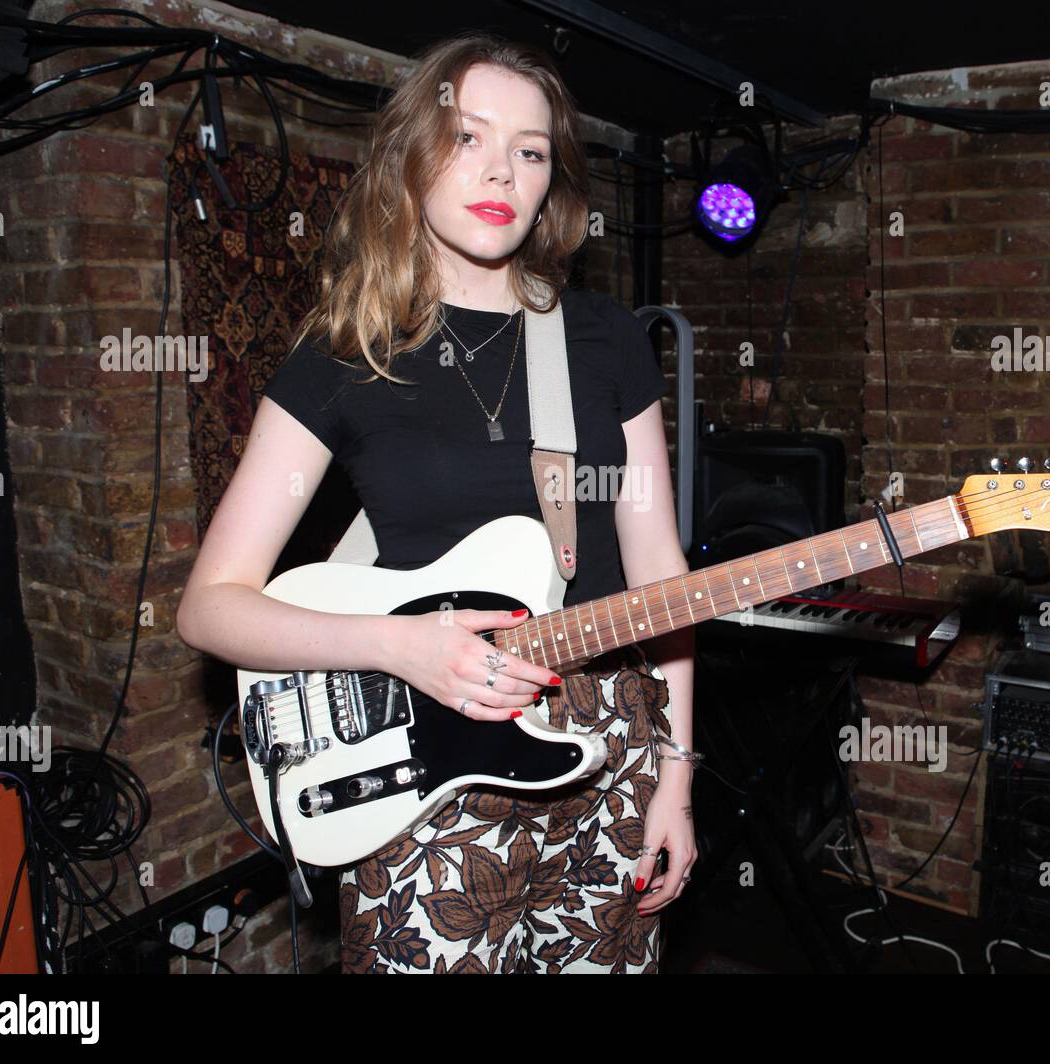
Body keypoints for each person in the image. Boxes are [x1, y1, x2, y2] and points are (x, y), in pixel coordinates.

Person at [176, 32, 698, 974]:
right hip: (429, 778)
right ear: (411, 155)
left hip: (611, 755)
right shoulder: (343, 360)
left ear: (552, 183)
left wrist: (677, 776)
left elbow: (663, 575)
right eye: (467, 137)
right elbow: (210, 605)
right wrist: (400, 646)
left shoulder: (609, 341)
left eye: (531, 151)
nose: (502, 168)